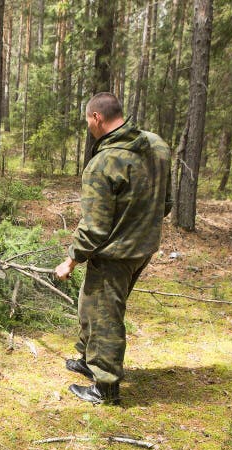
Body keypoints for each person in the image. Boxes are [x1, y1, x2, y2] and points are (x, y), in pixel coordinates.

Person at [54, 92, 172, 405]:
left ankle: (104, 387)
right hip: (144, 247)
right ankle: (88, 359)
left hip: (116, 253)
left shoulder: (102, 164)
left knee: (104, 315)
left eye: (87, 122)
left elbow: (94, 229)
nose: (88, 128)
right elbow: (166, 202)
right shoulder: (157, 144)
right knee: (89, 304)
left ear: (97, 118)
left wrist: (71, 259)